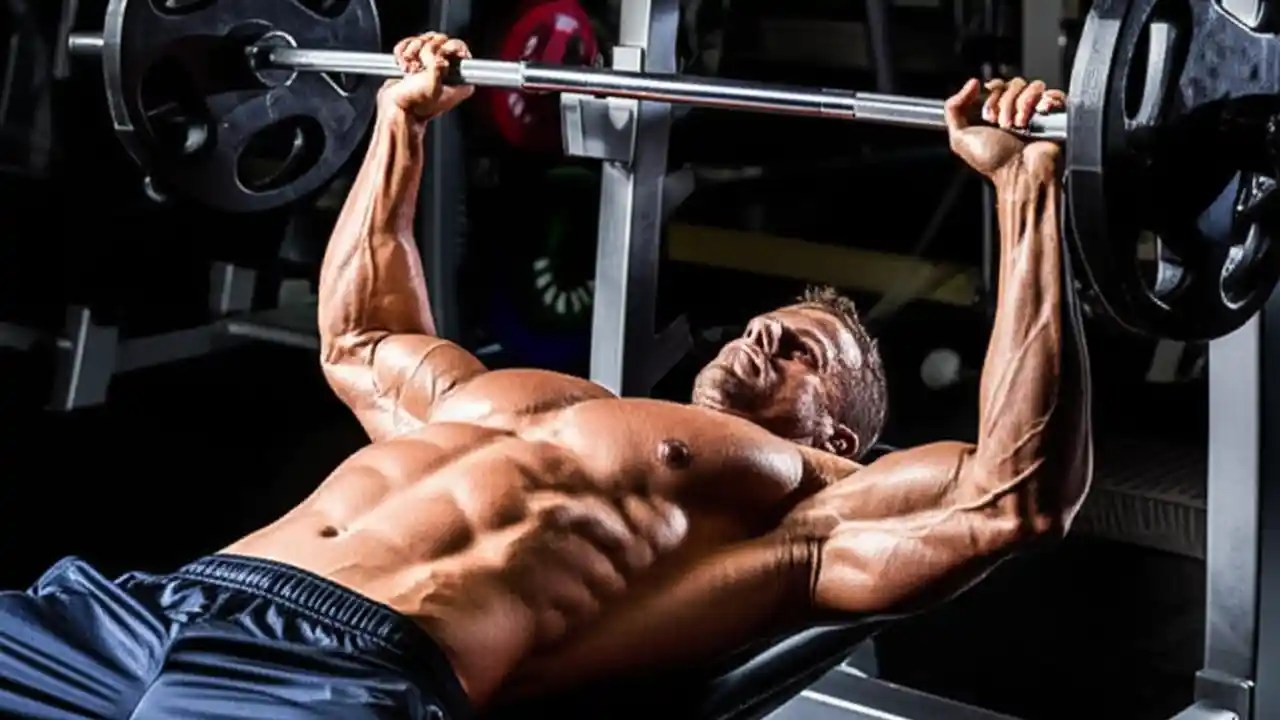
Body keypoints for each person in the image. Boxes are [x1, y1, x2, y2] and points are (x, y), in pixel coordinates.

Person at [0, 33, 1087, 720]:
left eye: (801, 350)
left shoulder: (802, 507)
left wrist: (1024, 193)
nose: (761, 338)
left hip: (337, 668)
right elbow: (359, 339)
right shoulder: (526, 399)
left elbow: (1010, 496)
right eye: (762, 321)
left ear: (839, 435)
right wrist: (398, 125)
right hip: (147, 606)